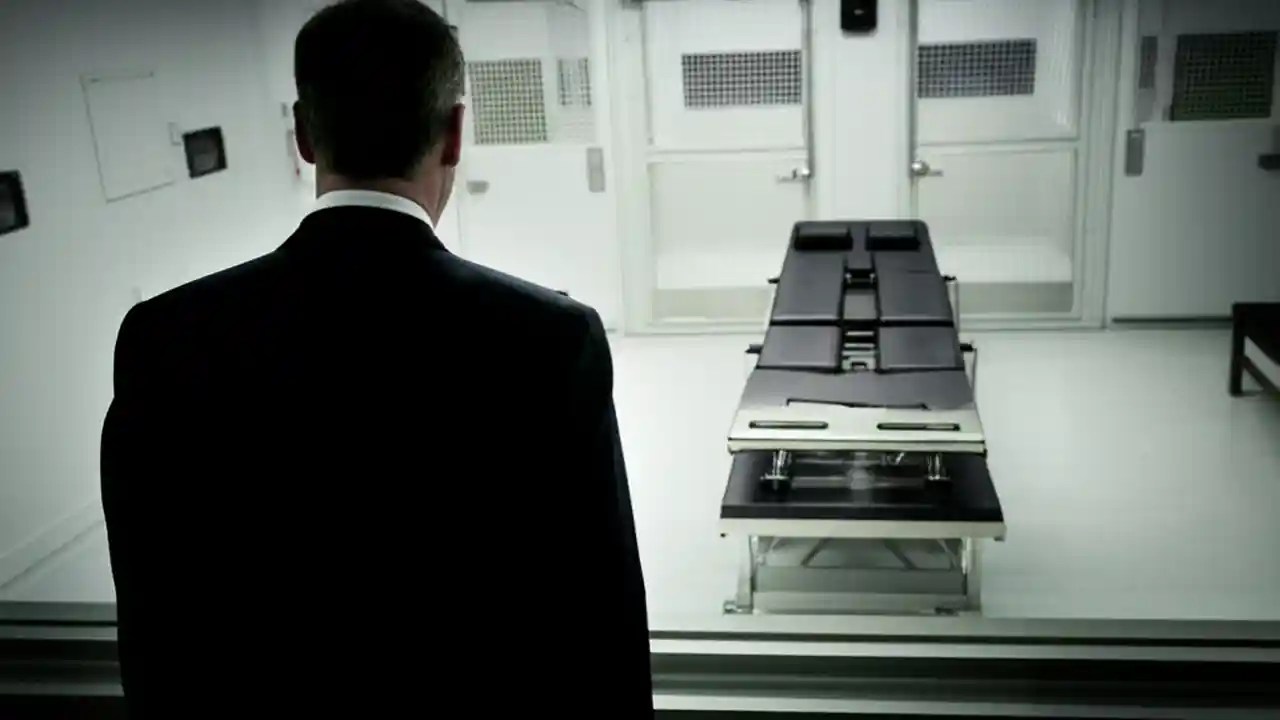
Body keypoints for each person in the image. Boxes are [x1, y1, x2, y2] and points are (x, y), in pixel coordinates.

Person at [99, 1, 652, 715]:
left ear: (302, 133)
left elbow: (153, 620)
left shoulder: (164, 337)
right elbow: (596, 617)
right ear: (454, 134)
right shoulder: (550, 338)